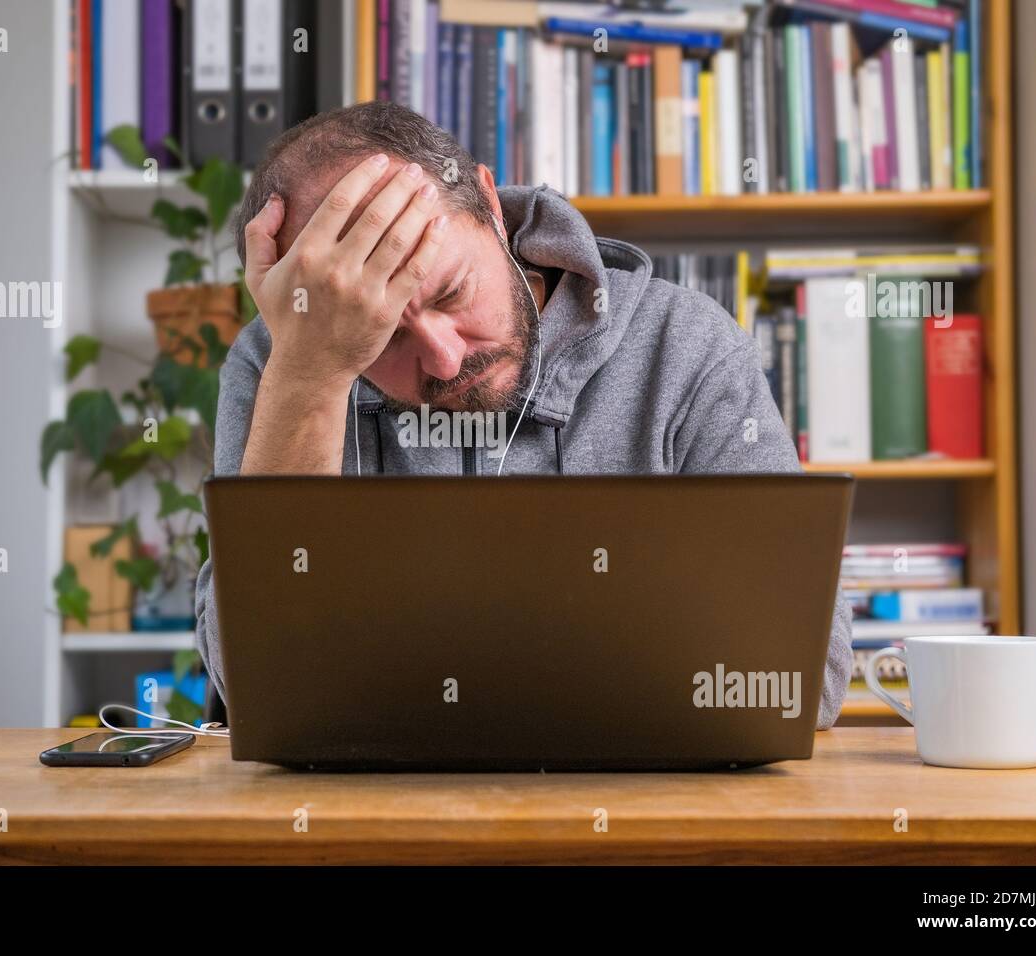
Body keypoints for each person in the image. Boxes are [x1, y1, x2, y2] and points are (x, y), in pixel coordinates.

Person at [195, 100, 852, 729]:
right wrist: (310, 375)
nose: (445, 361)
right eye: (380, 334)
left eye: (452, 291)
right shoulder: (281, 368)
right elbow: (258, 693)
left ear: (489, 205)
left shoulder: (687, 345)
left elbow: (803, 680)